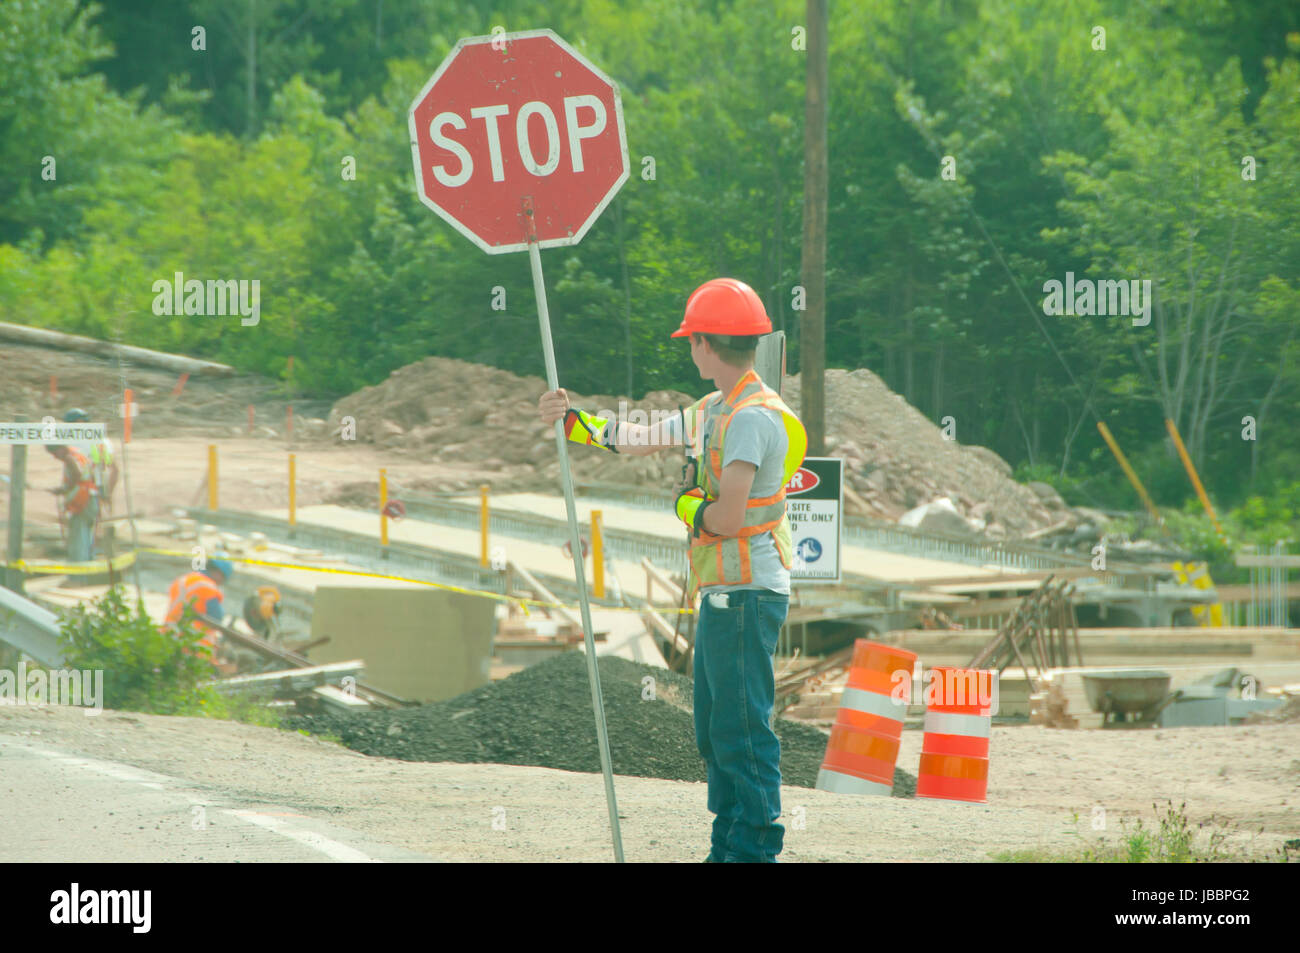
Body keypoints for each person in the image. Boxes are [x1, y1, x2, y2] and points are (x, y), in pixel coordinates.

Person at [538, 277, 806, 863]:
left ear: (706, 345)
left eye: (691, 340)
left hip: (747, 591)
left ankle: (755, 850)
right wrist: (575, 421)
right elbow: (638, 438)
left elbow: (729, 516)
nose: (689, 350)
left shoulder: (752, 419)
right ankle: (728, 844)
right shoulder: (714, 409)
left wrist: (686, 505)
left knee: (740, 729)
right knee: (715, 728)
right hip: (723, 592)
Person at [164, 557, 235, 671]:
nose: (220, 582)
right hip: (195, 645)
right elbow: (217, 618)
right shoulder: (207, 586)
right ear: (218, 573)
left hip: (169, 636)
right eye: (222, 578)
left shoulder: (183, 580)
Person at [44, 444, 99, 562]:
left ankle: (78, 574)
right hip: (91, 497)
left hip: (82, 501)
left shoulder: (69, 458)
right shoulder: (80, 455)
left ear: (61, 448)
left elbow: (77, 474)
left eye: (55, 453)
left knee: (78, 538)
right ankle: (88, 568)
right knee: (87, 537)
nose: (55, 457)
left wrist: (64, 489)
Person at [63, 408, 119, 514]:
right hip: (80, 489)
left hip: (94, 489)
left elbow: (114, 469)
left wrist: (107, 495)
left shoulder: (98, 442)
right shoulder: (71, 443)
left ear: (80, 423)